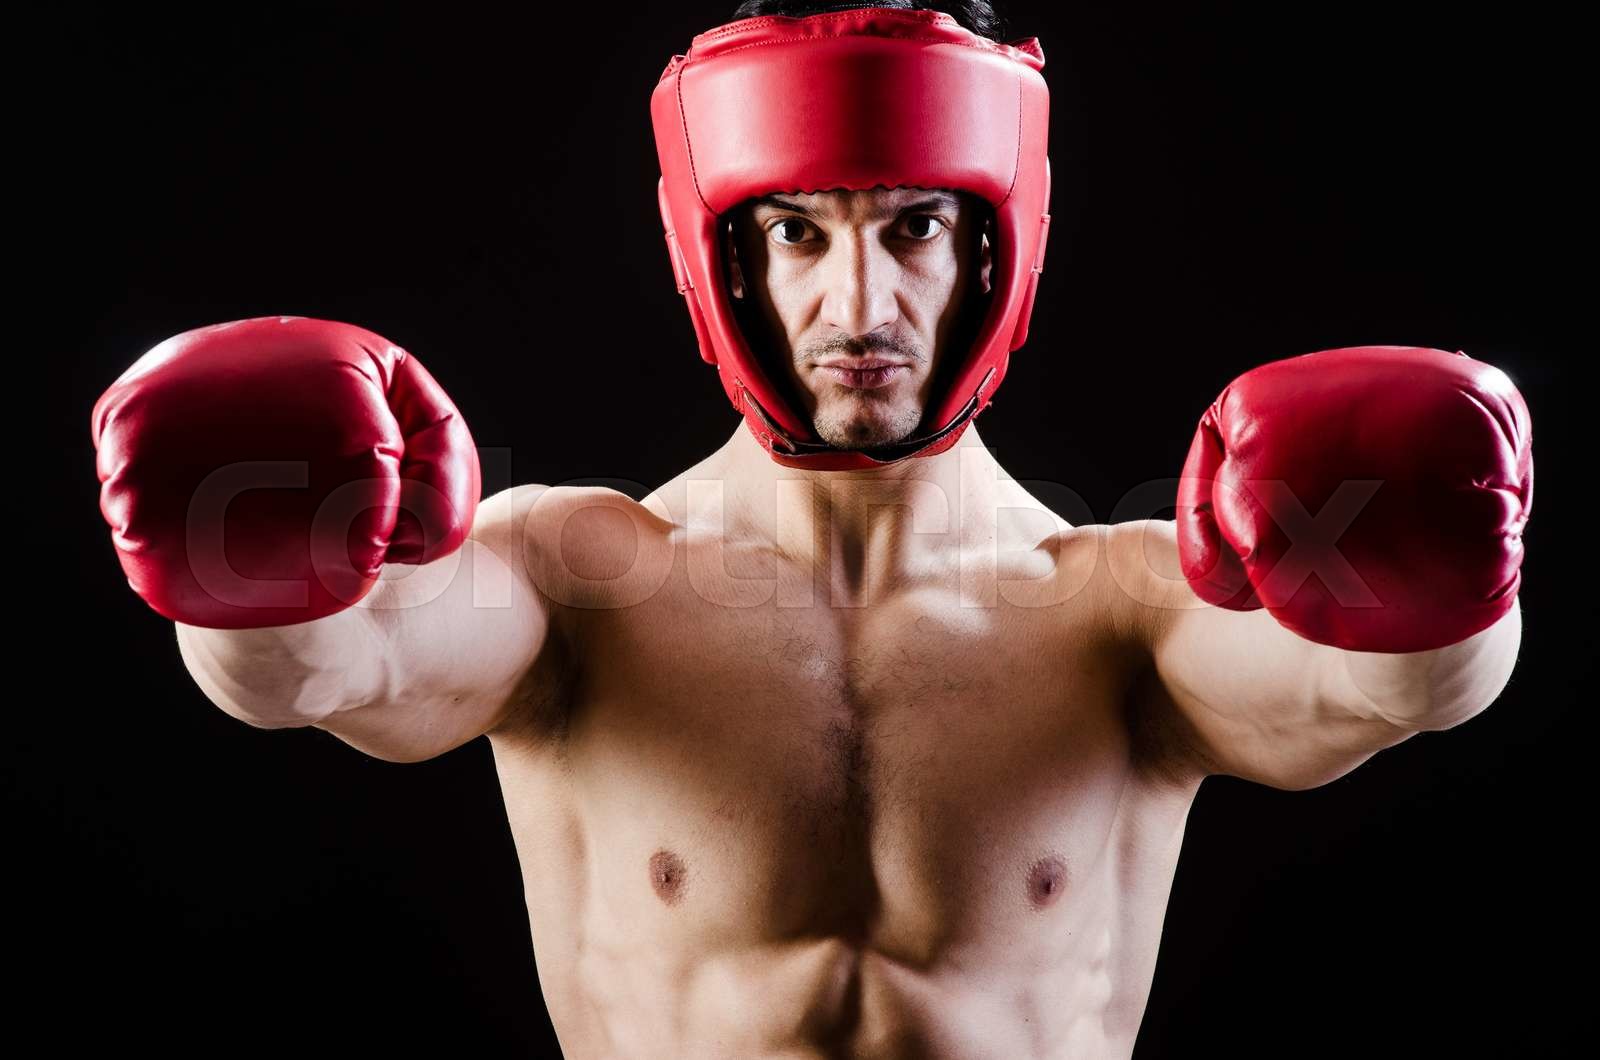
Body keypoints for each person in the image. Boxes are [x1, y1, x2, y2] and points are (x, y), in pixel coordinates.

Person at [88, 3, 1533, 1056]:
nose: (858, 307)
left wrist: (1444, 580)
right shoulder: (577, 584)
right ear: (717, 254)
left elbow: (1383, 685)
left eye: (910, 226)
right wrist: (247, 571)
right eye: (797, 232)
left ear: (991, 249)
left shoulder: (1124, 611)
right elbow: (322, 670)